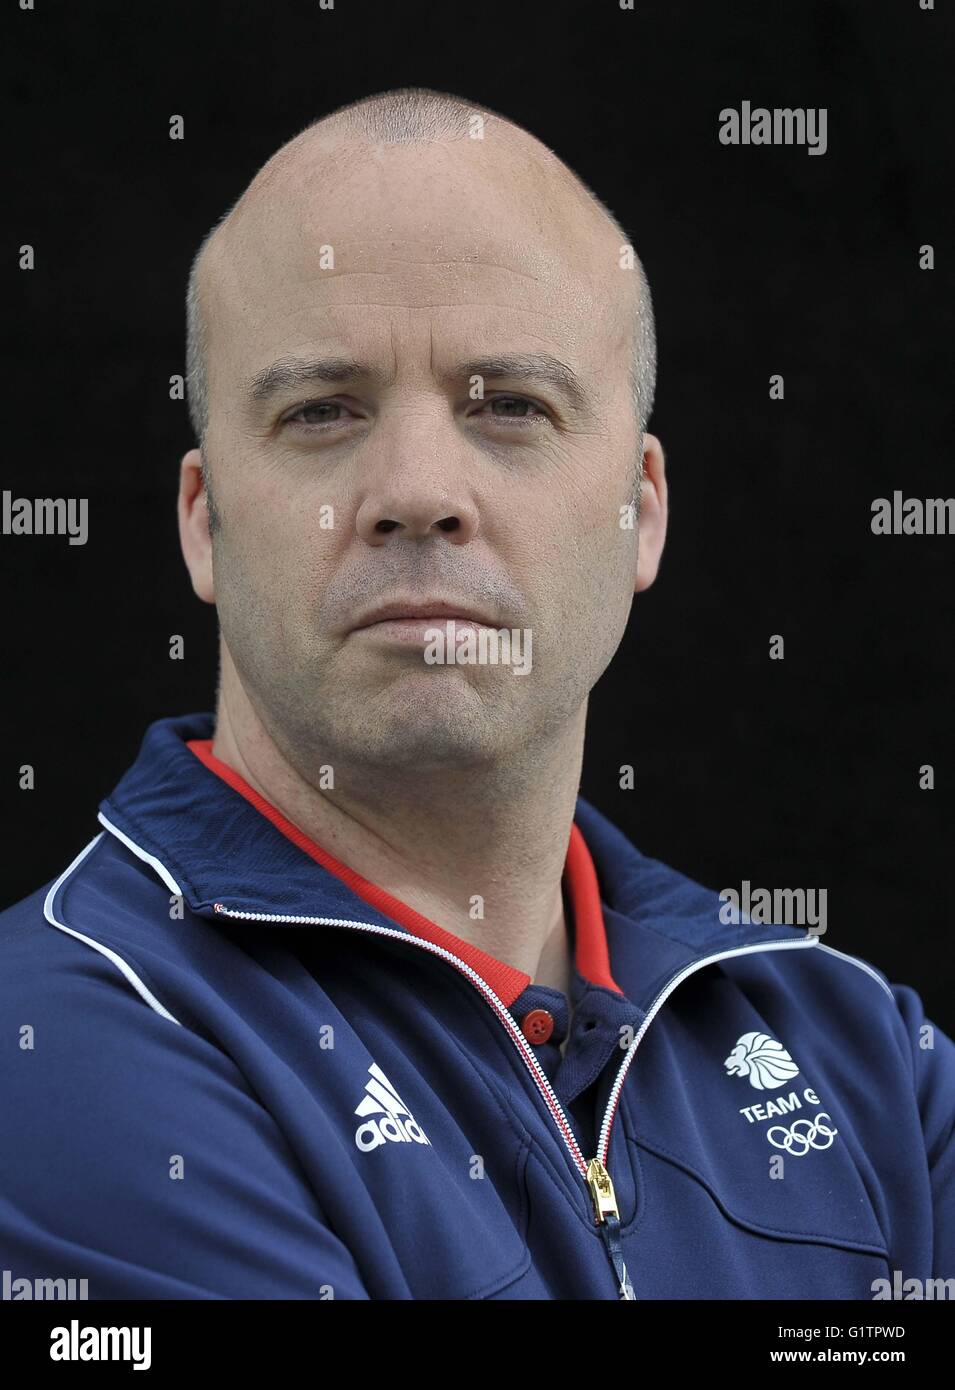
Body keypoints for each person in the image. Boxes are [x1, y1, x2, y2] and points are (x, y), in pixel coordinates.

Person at [1, 86, 952, 1301]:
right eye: (321, 412)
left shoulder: (863, 1050)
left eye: (509, 405)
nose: (414, 489)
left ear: (640, 510)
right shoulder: (57, 1045)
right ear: (203, 523)